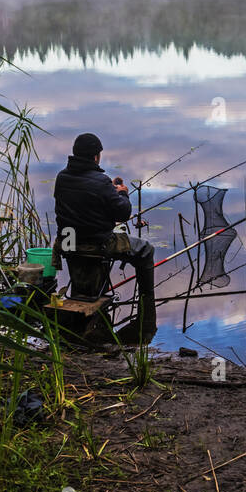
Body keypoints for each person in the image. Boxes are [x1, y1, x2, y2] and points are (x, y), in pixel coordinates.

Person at [53, 132, 156, 341]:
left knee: (85, 245)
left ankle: (86, 296)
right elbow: (123, 213)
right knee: (145, 250)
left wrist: (109, 189)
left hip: (69, 242)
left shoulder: (62, 177)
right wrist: (122, 193)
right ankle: (147, 306)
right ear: (95, 157)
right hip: (98, 245)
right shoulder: (101, 182)